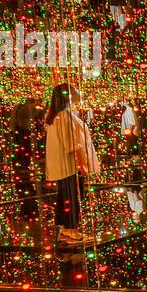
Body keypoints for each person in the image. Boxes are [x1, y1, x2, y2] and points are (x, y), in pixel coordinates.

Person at [44, 83, 100, 246]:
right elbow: (72, 144)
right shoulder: (64, 116)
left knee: (66, 196)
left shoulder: (58, 116)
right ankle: (71, 229)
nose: (77, 93)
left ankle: (65, 229)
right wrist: (81, 164)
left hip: (64, 165)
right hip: (69, 165)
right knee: (72, 196)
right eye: (73, 90)